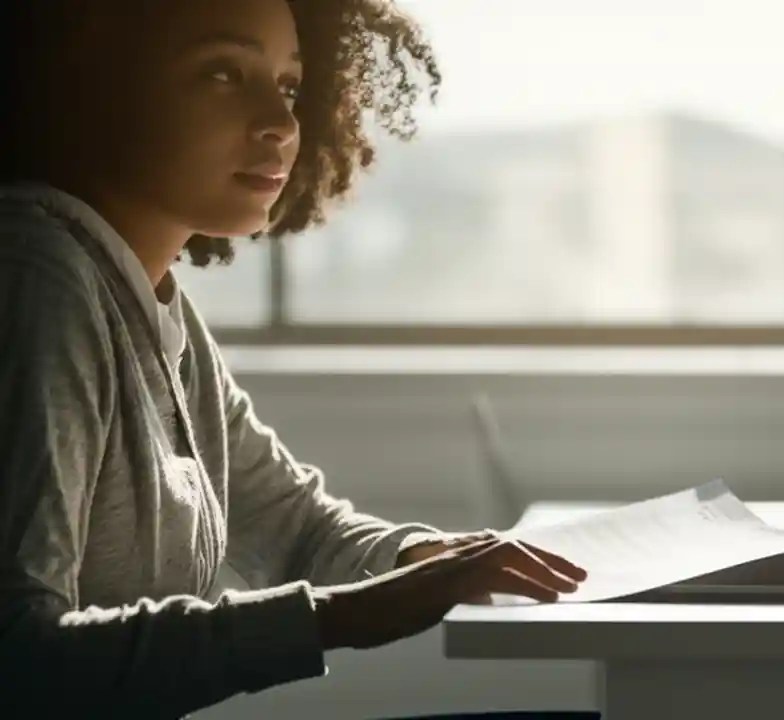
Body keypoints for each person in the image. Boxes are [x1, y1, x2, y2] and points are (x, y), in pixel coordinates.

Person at [0, 1, 596, 717]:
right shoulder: (36, 277)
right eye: (223, 73)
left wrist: (430, 559)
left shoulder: (149, 299)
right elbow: (19, 655)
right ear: (92, 81)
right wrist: (340, 617)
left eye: (288, 87)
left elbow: (298, 530)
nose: (280, 125)